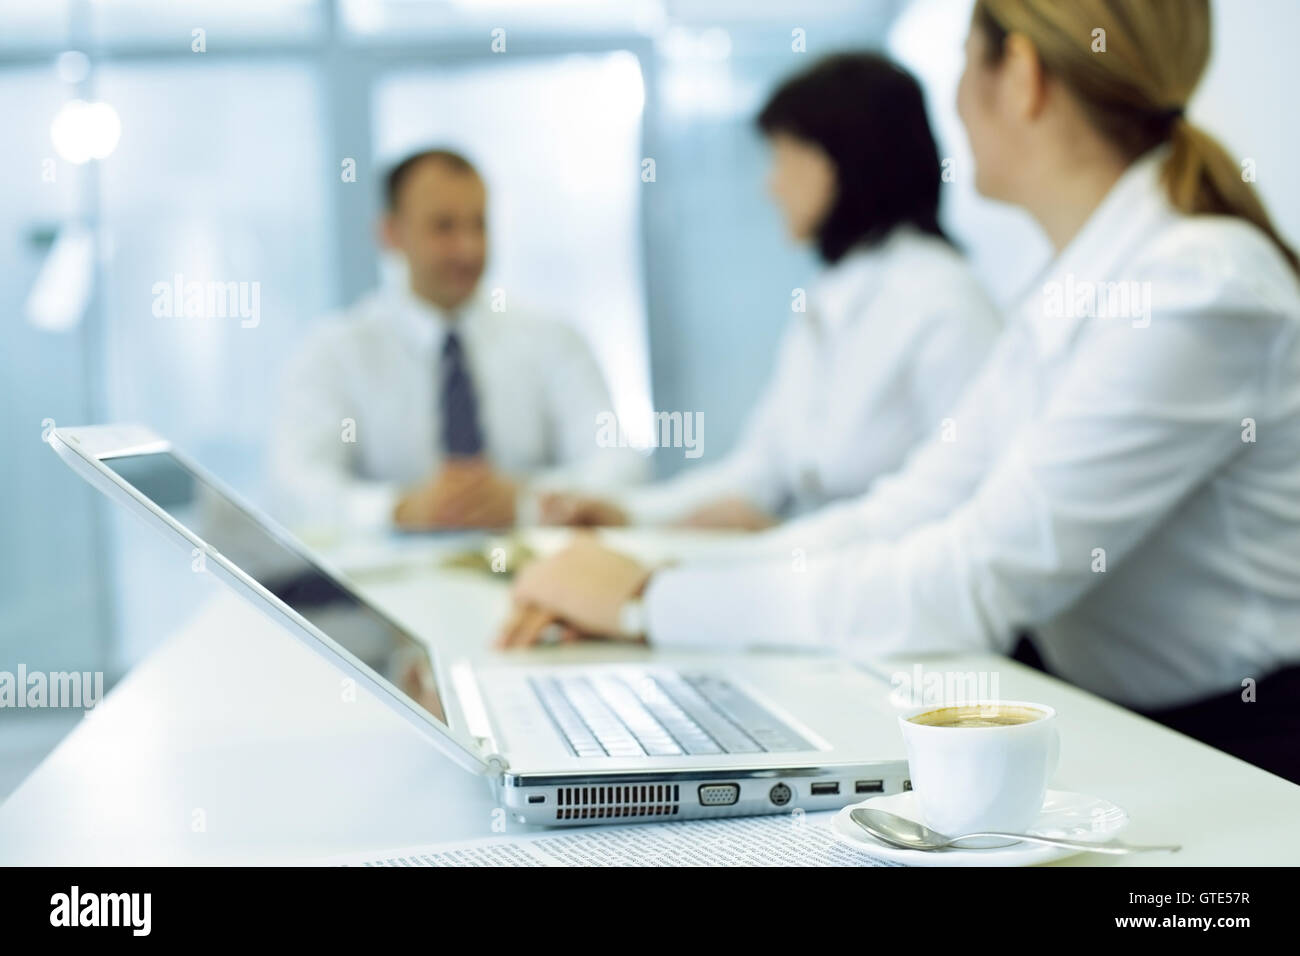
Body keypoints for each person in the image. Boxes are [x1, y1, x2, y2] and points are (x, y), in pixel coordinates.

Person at [499, 0, 1300, 782]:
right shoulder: (1074, 285)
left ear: (1020, 75)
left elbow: (973, 579)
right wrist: (652, 581)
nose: (953, 100)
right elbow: (912, 506)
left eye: (960, 63)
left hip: (1242, 750)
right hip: (1124, 723)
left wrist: (651, 603)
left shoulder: (1197, 288)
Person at [541, 53, 999, 532]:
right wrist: (630, 513)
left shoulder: (945, 303)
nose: (771, 186)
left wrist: (777, 541)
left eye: (783, 158)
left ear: (839, 163)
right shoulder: (831, 296)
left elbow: (967, 515)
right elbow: (760, 470)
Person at [270, 148, 642, 534]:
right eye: (444, 227)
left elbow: (621, 464)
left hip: (535, 578)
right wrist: (398, 509)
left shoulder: (553, 339)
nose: (468, 248)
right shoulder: (335, 353)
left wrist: (529, 499)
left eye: (478, 224)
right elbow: (295, 490)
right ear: (391, 234)